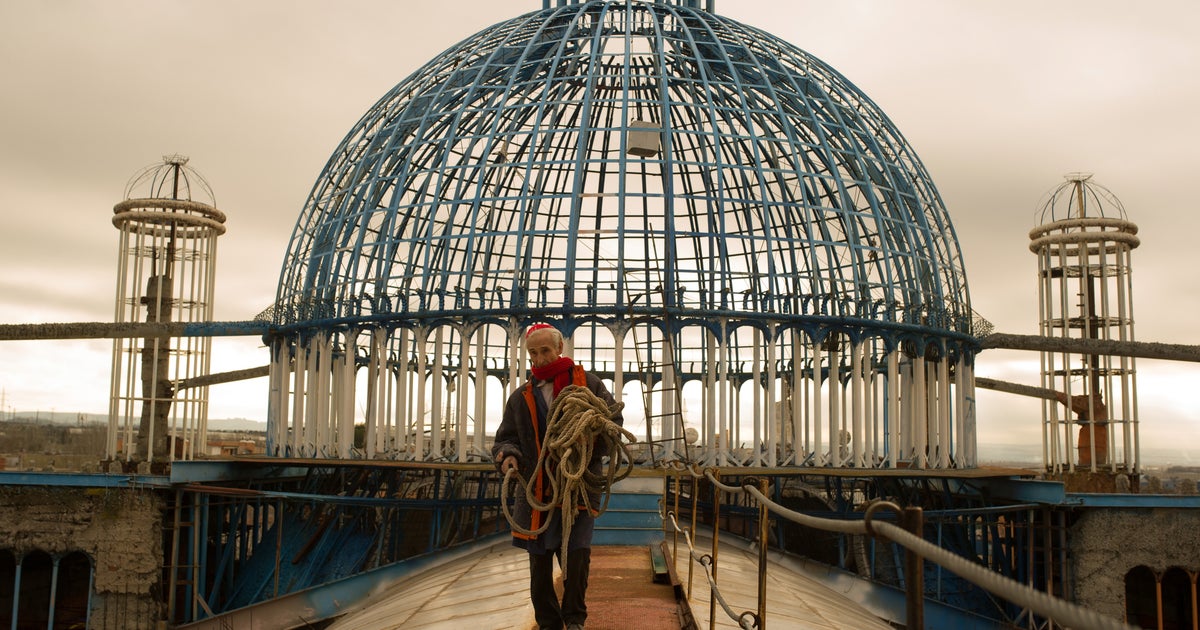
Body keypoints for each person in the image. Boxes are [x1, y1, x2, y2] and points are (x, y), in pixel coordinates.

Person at [492, 322, 623, 630]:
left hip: (577, 489)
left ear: (560, 348)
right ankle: (549, 623)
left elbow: (613, 420)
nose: (539, 359)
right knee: (538, 566)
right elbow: (505, 437)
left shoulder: (588, 384)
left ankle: (575, 619)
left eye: (545, 351)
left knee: (576, 559)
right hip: (536, 493)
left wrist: (589, 436)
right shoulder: (520, 397)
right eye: (533, 353)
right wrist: (507, 455)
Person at [1053, 390, 1108, 467]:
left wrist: (1058, 395)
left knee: (1089, 465)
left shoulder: (1092, 404)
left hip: (1090, 448)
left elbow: (1074, 402)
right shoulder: (1099, 412)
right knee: (1095, 464)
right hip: (1094, 446)